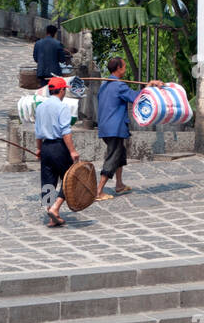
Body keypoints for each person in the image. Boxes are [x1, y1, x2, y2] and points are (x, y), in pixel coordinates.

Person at [94, 57, 159, 201]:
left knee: (120, 154)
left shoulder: (105, 85)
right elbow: (136, 97)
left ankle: (119, 184)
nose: (125, 69)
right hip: (114, 128)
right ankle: (98, 191)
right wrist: (149, 86)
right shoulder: (119, 86)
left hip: (105, 127)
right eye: (124, 66)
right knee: (113, 157)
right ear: (118, 69)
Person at [35, 76, 80, 227]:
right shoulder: (62, 107)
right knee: (69, 179)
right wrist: (72, 151)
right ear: (61, 90)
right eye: (64, 91)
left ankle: (51, 215)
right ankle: (55, 208)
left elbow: (38, 133)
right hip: (59, 147)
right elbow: (65, 132)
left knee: (48, 182)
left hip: (46, 148)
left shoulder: (40, 107)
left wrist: (39, 149)